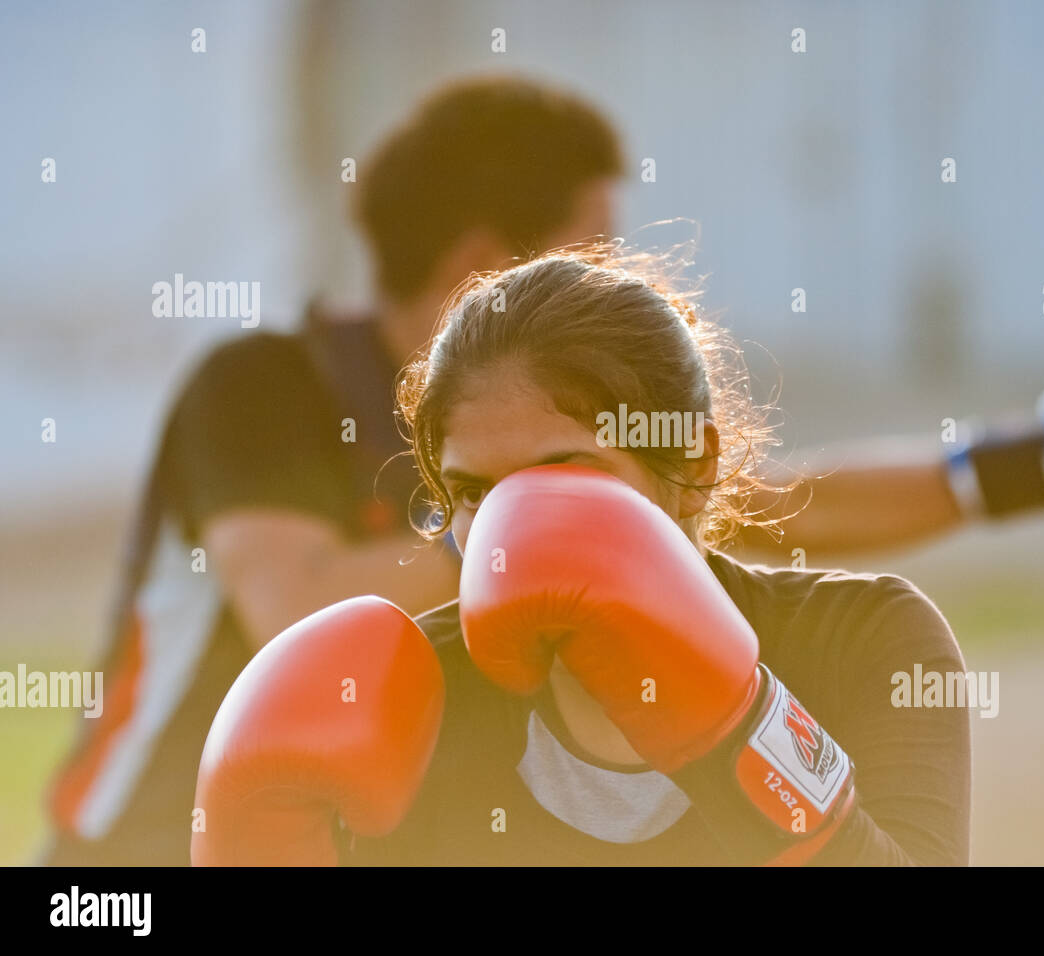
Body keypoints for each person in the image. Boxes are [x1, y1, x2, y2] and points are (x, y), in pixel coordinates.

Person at [191, 245, 973, 866]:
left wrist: (734, 728)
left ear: (693, 468)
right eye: (474, 490)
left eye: (561, 477)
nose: (516, 525)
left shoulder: (866, 641)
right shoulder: (412, 698)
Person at [40, 75, 625, 865]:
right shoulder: (262, 383)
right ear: (485, 264)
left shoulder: (541, 438)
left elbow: (767, 508)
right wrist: (535, 526)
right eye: (593, 253)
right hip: (132, 865)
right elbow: (294, 608)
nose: (616, 286)